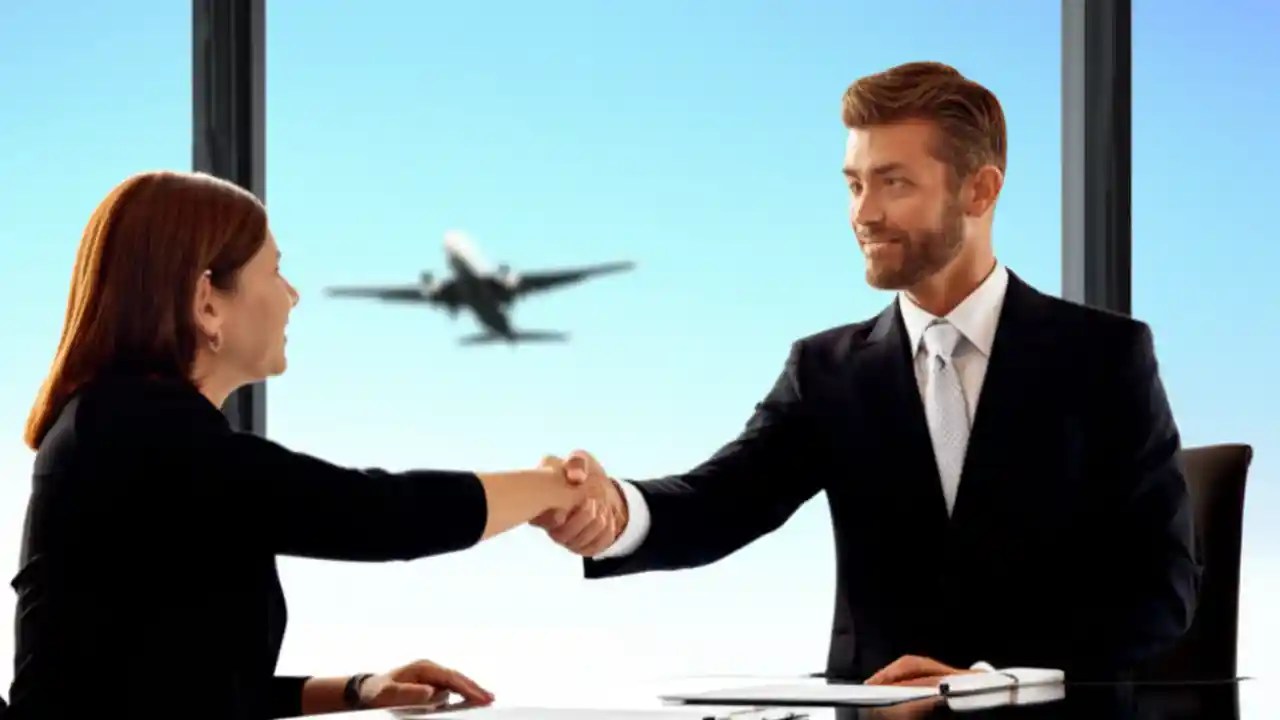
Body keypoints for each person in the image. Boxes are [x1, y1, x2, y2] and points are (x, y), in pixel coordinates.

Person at [532, 61, 1200, 684]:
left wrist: (997, 682)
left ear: (980, 189)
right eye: (855, 184)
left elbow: (1162, 589)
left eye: (894, 182)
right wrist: (616, 511)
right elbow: (720, 503)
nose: (864, 213)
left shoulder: (1104, 357)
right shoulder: (825, 372)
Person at [6, 170, 590, 719]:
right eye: (275, 272)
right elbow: (372, 512)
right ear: (207, 302)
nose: (293, 295)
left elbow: (177, 686)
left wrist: (362, 689)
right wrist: (549, 488)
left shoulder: (125, 428)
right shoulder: (138, 432)